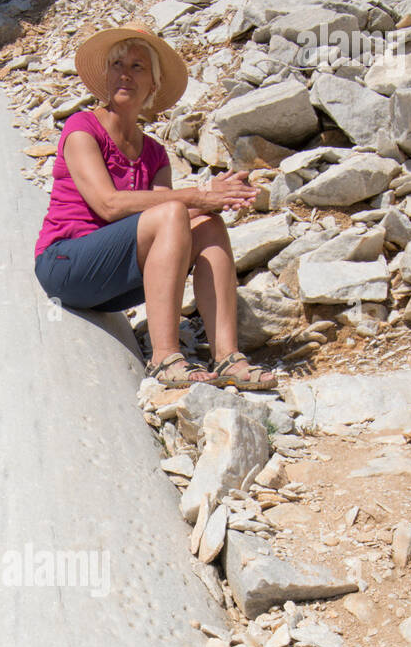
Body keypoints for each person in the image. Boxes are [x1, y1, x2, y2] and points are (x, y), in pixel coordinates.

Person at [34, 24, 276, 390]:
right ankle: (164, 357)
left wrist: (218, 198)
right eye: (117, 64)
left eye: (137, 67)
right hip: (65, 266)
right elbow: (109, 204)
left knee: (206, 225)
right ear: (106, 75)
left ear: (153, 86)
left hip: (116, 275)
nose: (125, 74)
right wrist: (197, 194)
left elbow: (168, 222)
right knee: (182, 209)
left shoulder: (154, 153)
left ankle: (227, 355)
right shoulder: (82, 128)